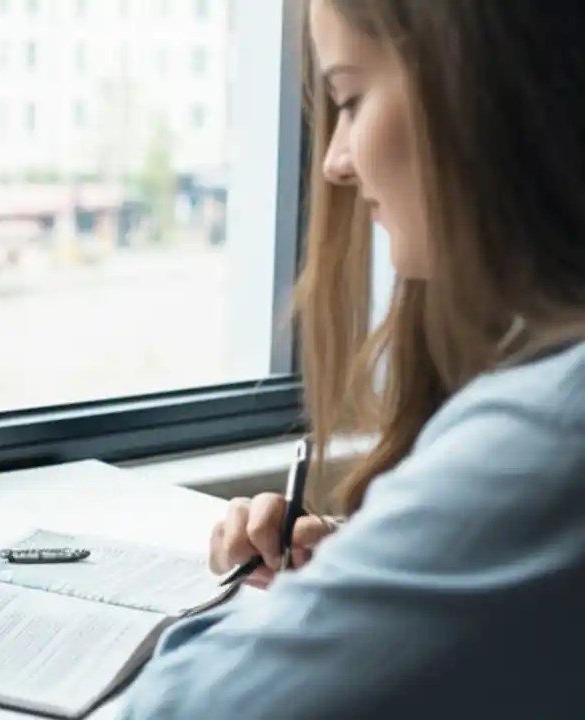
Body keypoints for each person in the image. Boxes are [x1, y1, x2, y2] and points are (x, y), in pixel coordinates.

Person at [123, 1, 585, 717]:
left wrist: (304, 613)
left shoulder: (549, 437)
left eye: (350, 98)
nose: (337, 161)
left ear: (472, 90)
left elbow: (179, 710)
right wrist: (364, 566)